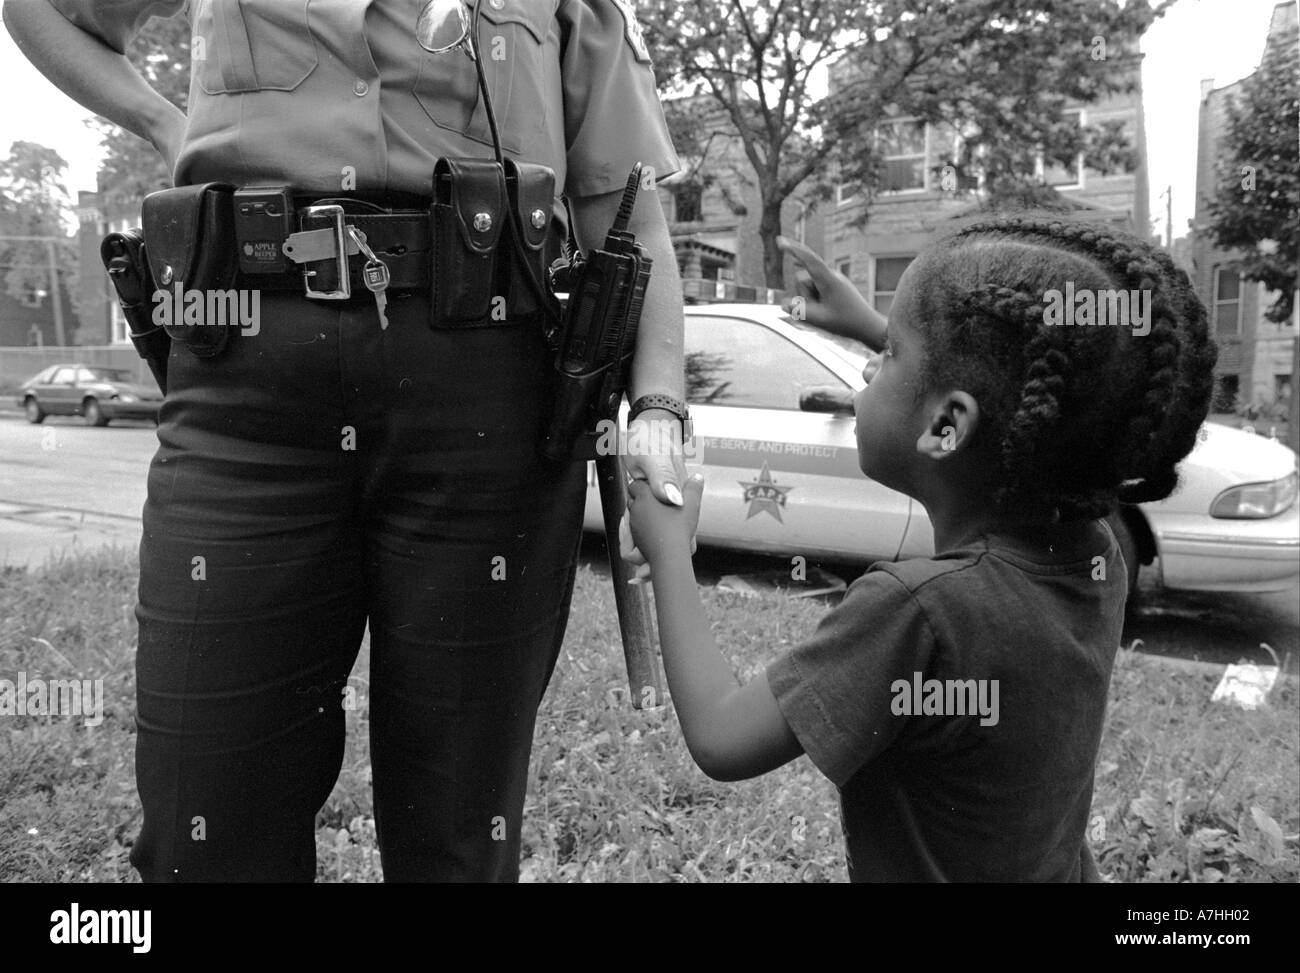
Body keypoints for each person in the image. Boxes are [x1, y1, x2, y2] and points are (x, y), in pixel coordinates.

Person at [4, 0, 691, 882]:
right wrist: (159, 117)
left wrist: (661, 412)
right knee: (201, 830)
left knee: (456, 837)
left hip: (487, 401)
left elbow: (627, 217)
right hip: (245, 381)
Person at [625, 216, 1218, 881]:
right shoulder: (1101, 552)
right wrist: (887, 333)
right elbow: (1007, 398)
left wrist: (670, 545)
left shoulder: (918, 614)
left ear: (945, 424)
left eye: (888, 356)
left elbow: (721, 737)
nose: (870, 369)